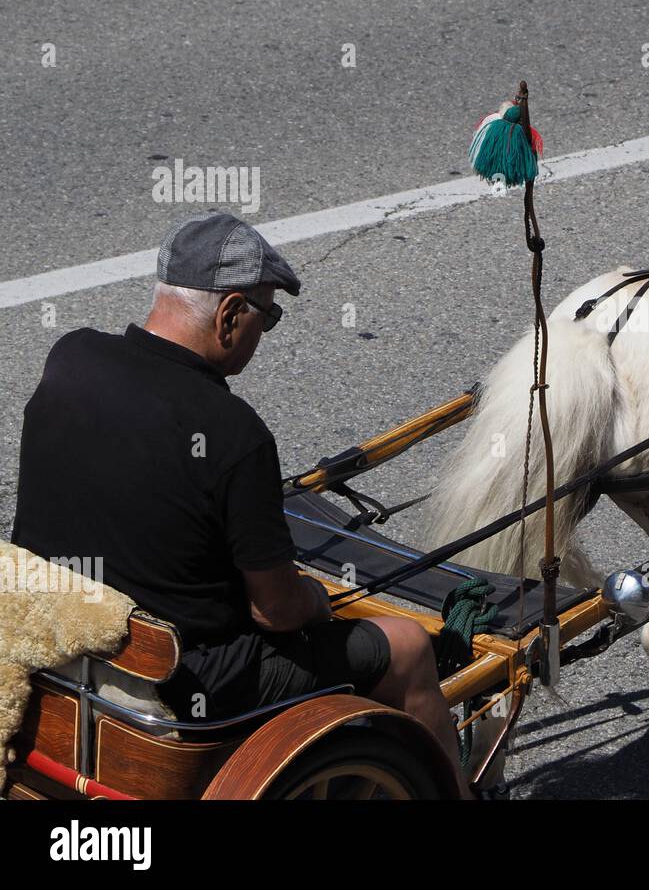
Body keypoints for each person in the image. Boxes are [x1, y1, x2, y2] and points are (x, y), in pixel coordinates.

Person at [13, 213, 471, 798]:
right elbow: (275, 612)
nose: (265, 332)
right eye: (268, 316)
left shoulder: (70, 356)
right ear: (231, 315)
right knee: (405, 646)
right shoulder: (232, 433)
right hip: (186, 679)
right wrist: (313, 600)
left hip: (65, 642)